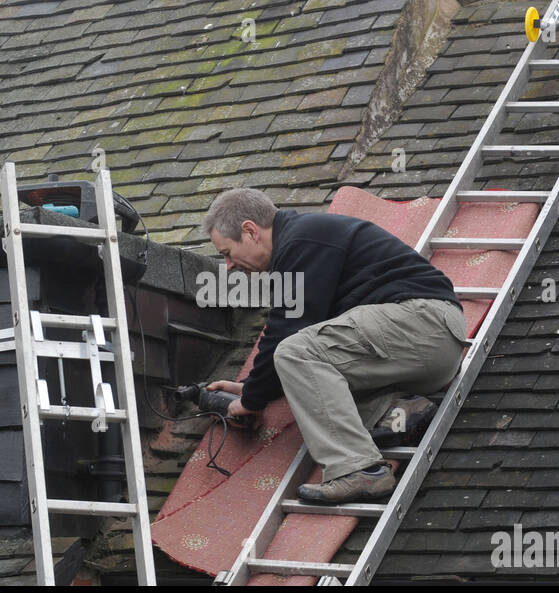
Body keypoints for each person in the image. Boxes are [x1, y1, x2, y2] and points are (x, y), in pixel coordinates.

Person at [200, 188, 471, 504]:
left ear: (250, 231)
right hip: (422, 349)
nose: (229, 266)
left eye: (227, 253)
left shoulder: (301, 240)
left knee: (293, 351)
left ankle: (360, 471)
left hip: (424, 326)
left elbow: (286, 334)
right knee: (309, 378)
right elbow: (315, 351)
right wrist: (249, 388)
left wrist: (252, 399)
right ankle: (397, 411)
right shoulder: (301, 243)